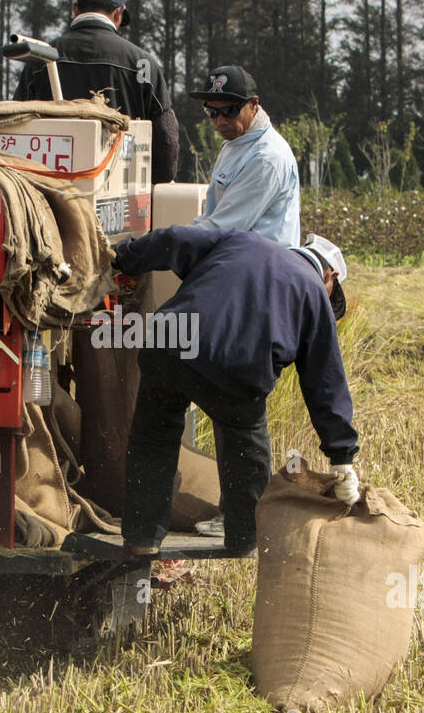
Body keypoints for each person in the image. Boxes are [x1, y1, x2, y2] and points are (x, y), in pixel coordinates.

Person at [111, 226, 359, 557]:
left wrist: (123, 258)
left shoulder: (242, 240)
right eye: (333, 291)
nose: (329, 298)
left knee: (153, 440)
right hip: (236, 372)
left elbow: (172, 240)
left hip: (169, 344)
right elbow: (325, 382)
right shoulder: (313, 290)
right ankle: (245, 544)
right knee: (246, 451)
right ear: (329, 274)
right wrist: (341, 456)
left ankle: (142, 540)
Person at [14, 0, 178, 183]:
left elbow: (15, 121)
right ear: (118, 14)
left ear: (76, 9)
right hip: (122, 191)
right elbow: (167, 140)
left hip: (51, 191)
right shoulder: (143, 63)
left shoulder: (41, 57)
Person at [187, 66, 301, 248]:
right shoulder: (235, 143)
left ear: (253, 104)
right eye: (212, 112)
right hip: (240, 260)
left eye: (230, 111)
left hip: (262, 268)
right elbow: (213, 216)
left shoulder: (266, 158)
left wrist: (169, 240)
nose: (221, 121)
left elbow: (224, 227)